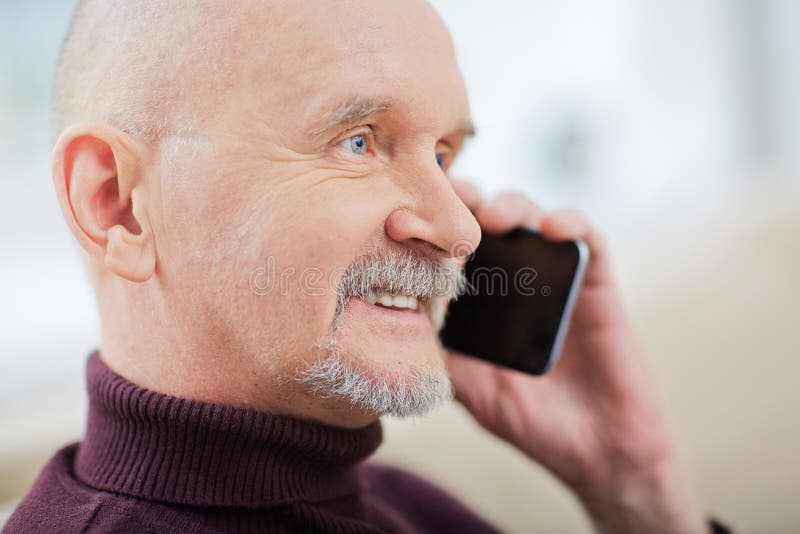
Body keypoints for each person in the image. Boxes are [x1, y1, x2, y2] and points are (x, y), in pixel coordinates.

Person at [6, 1, 729, 532]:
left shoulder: (413, 508)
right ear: (118, 205)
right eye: (358, 142)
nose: (458, 229)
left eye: (444, 155)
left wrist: (640, 488)